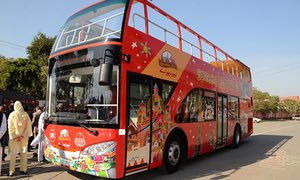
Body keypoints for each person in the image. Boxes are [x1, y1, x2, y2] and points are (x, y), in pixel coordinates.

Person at [8, 101, 33, 176]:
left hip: (14, 139)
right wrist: (22, 135)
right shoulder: (26, 114)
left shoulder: (12, 114)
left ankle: (11, 171)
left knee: (13, 154)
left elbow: (10, 126)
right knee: (24, 153)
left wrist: (14, 136)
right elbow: (28, 126)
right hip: (23, 138)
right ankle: (23, 170)